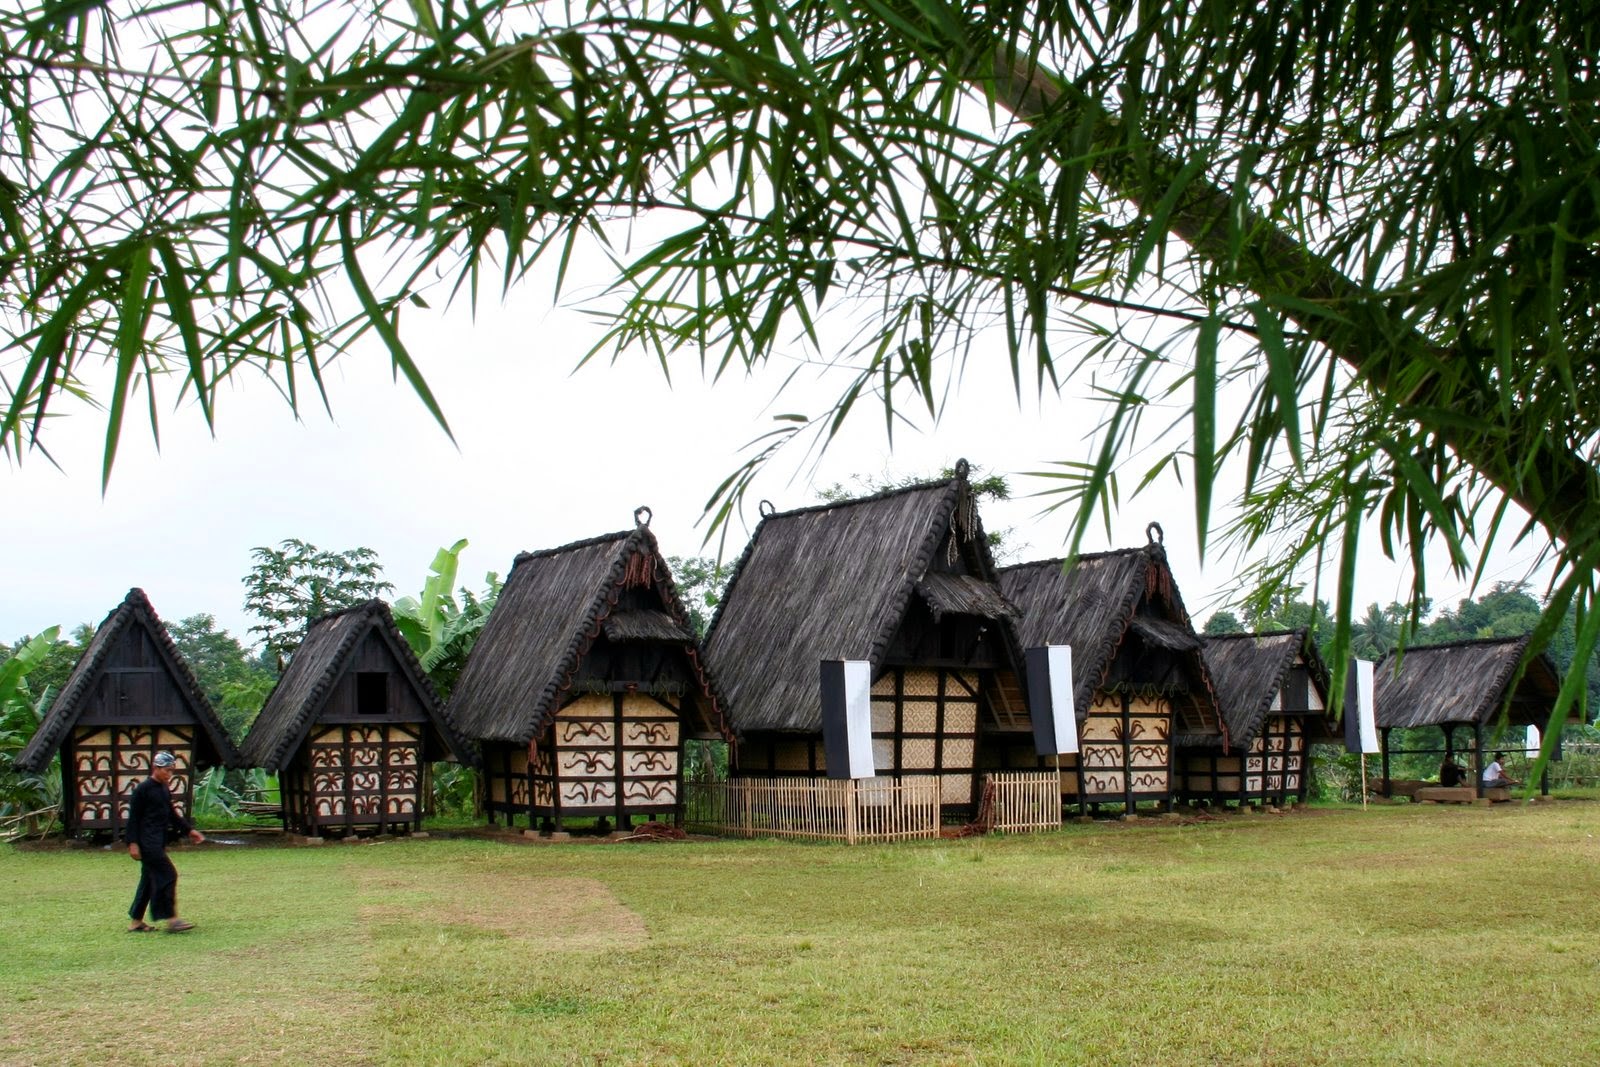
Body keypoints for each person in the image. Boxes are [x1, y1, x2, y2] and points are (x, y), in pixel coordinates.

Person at [126, 751, 204, 933]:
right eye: (167, 771)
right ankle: (171, 919)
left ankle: (136, 922)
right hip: (147, 842)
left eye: (172, 771)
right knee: (168, 875)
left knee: (148, 880)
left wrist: (189, 831)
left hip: (158, 840)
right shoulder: (142, 790)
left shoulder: (163, 789)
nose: (169, 775)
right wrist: (132, 843)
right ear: (157, 768)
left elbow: (172, 815)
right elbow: (133, 819)